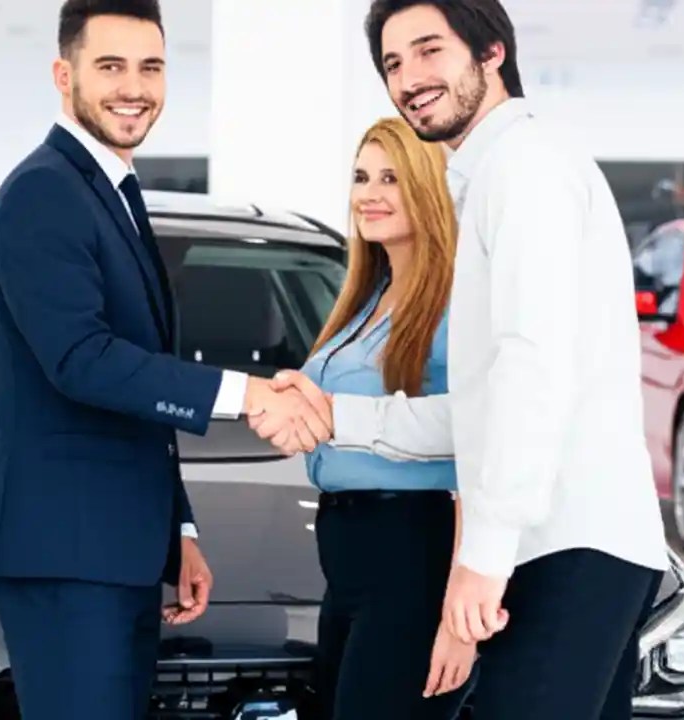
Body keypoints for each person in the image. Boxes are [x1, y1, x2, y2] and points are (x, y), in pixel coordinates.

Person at [264, 1, 671, 718]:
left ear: (491, 52)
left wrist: (482, 560)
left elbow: (529, 369)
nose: (409, 78)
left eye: (429, 51)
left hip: (566, 542)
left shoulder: (525, 169)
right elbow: (481, 411)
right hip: (574, 542)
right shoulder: (497, 175)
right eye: (393, 63)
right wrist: (339, 415)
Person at [0, 1, 330, 718]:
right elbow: (85, 361)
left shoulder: (109, 191)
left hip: (113, 550)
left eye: (150, 67)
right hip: (67, 554)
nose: (134, 87)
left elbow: (135, 391)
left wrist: (179, 531)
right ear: (62, 74)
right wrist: (249, 394)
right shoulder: (45, 191)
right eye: (110, 66)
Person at [291, 116, 475, 719]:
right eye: (361, 176)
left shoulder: (456, 302)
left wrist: (458, 620)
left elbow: (479, 434)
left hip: (411, 551)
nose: (368, 193)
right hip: (345, 554)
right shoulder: (364, 300)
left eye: (390, 178)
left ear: (427, 186)